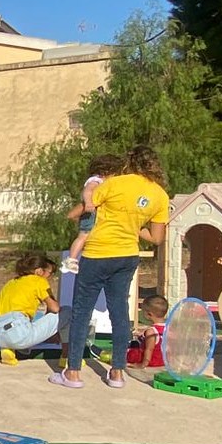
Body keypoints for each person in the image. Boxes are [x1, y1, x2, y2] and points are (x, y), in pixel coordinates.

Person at [53, 145, 170, 390]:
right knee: (119, 313)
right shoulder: (160, 195)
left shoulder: (114, 184)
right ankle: (117, 373)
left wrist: (72, 214)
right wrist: (133, 226)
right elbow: (157, 238)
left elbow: (87, 205)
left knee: (81, 311)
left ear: (129, 162)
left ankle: (73, 373)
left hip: (98, 253)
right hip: (127, 255)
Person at [0, 254, 61, 365]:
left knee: (22, 326)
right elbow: (55, 308)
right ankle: (67, 359)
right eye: (50, 273)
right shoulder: (39, 281)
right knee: (68, 313)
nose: (50, 277)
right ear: (39, 271)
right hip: (17, 333)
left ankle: (8, 349)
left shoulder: (11, 282)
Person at [62, 154, 126, 273]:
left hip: (96, 214)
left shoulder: (104, 182)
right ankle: (71, 259)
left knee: (88, 236)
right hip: (91, 213)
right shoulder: (96, 180)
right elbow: (87, 191)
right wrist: (88, 203)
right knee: (83, 236)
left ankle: (74, 259)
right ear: (108, 171)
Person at [129, 295, 170, 368]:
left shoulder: (151, 331)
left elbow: (149, 349)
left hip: (152, 361)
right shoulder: (168, 328)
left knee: (131, 349)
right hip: (163, 361)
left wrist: (143, 364)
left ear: (149, 314)